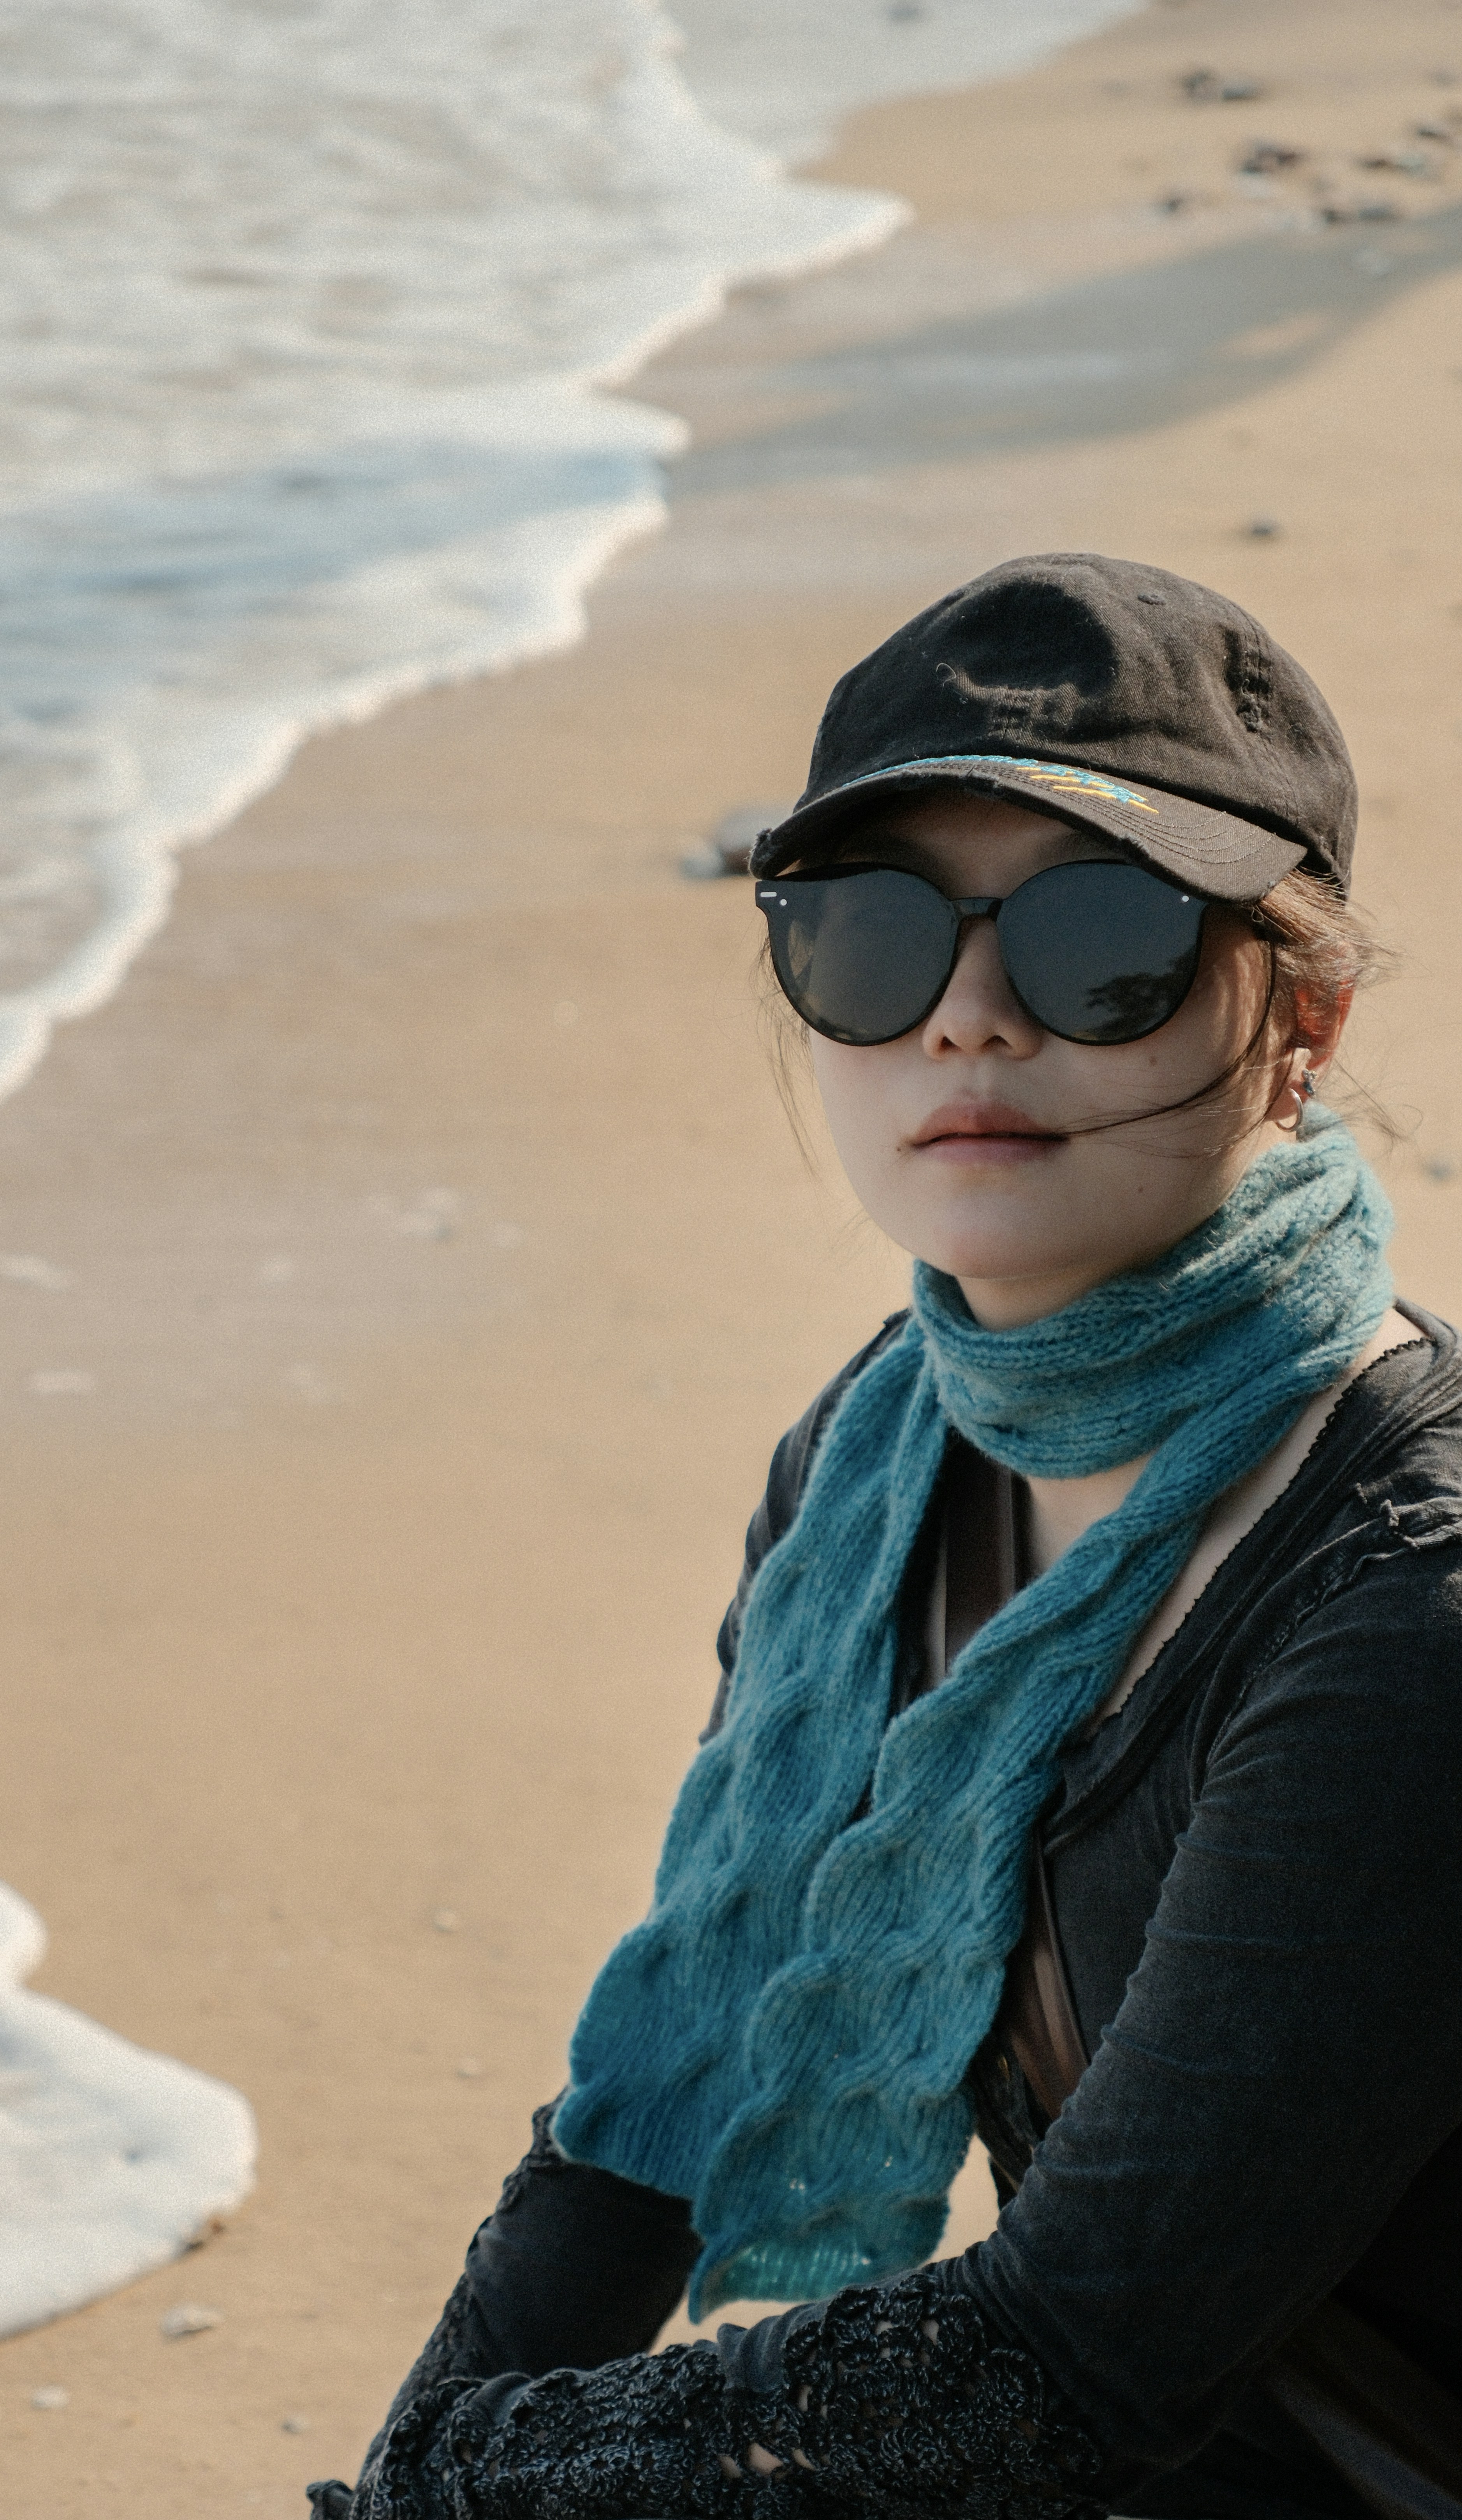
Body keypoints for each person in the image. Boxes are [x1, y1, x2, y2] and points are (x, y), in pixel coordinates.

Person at [310, 556, 1462, 2520]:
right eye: (873, 939)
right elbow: (646, 2116)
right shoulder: (869, 1462)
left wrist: (482, 2477)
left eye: (1107, 943)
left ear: (1303, 1015)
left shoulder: (1407, 1590)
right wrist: (412, 2471)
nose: (971, 1019)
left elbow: (1069, 2352)